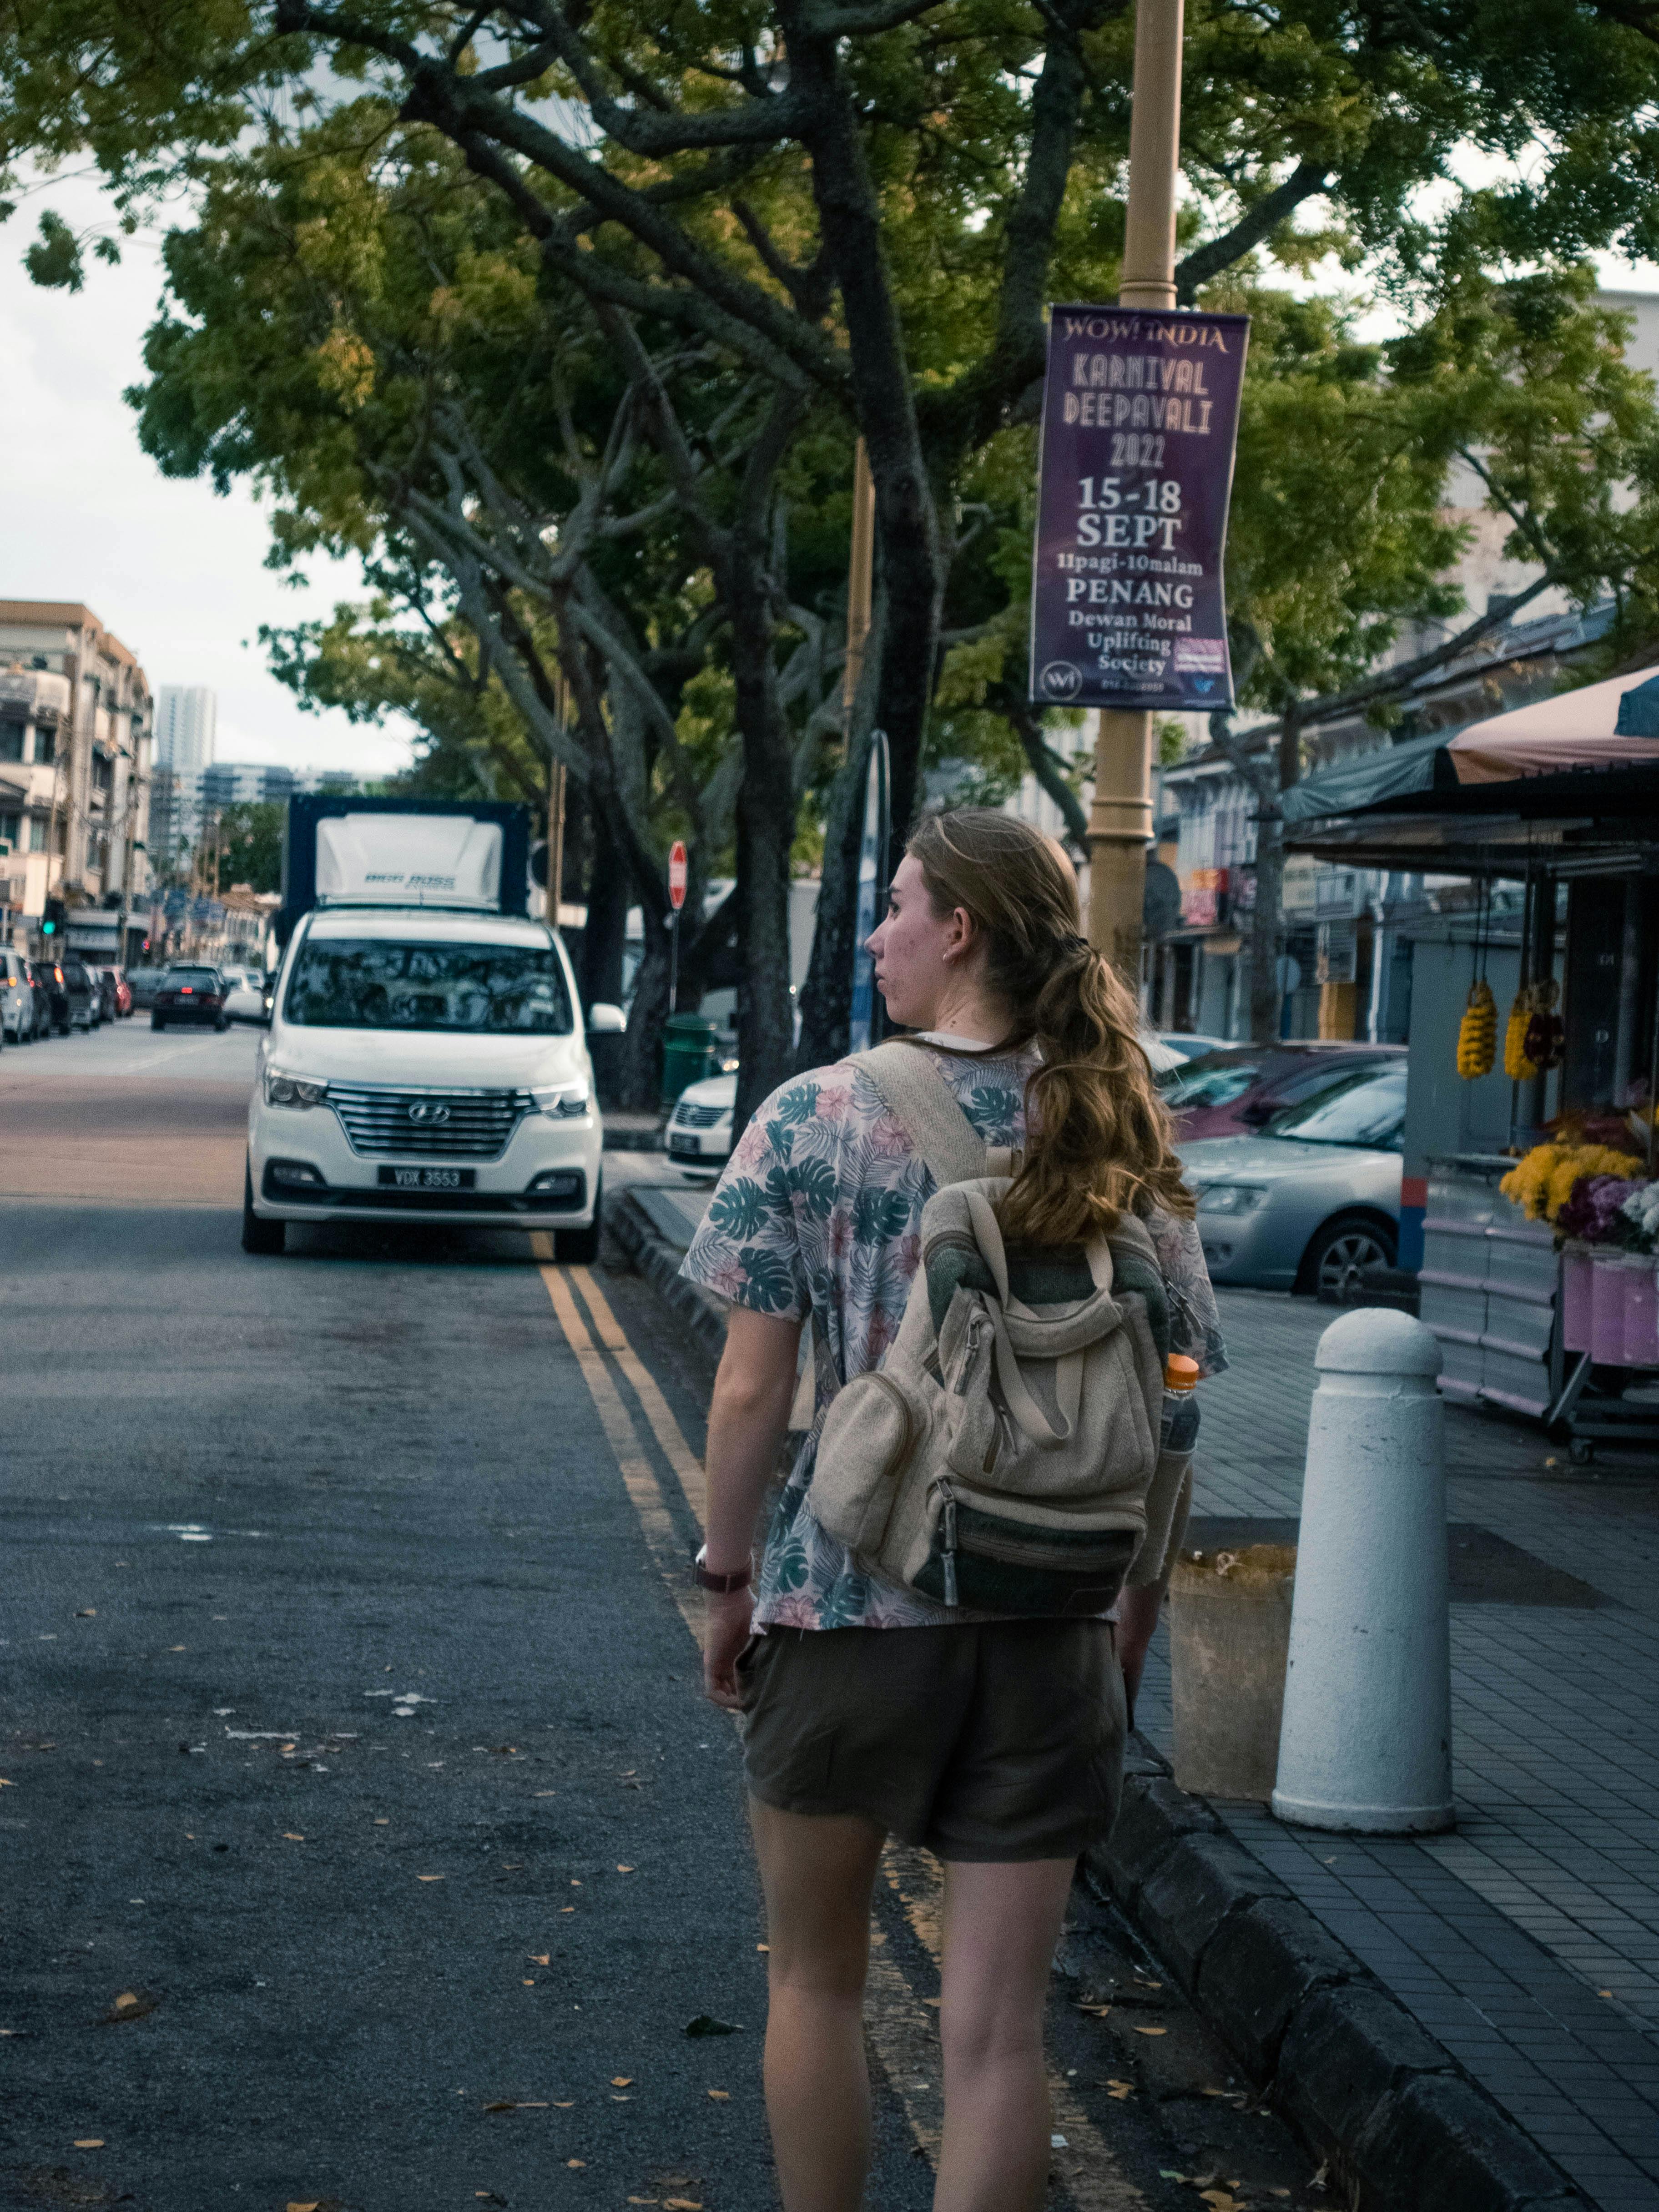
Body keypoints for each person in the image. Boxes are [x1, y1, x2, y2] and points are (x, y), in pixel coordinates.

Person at [680, 808, 1224, 2212]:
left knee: (817, 1979)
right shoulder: (1115, 1119)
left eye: (898, 905)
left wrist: (725, 1575)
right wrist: (1127, 1619)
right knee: (996, 2034)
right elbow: (1172, 1410)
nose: (875, 934)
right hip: (1051, 1617)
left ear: (960, 929)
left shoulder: (819, 1112)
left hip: (849, 1604)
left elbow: (751, 1395)